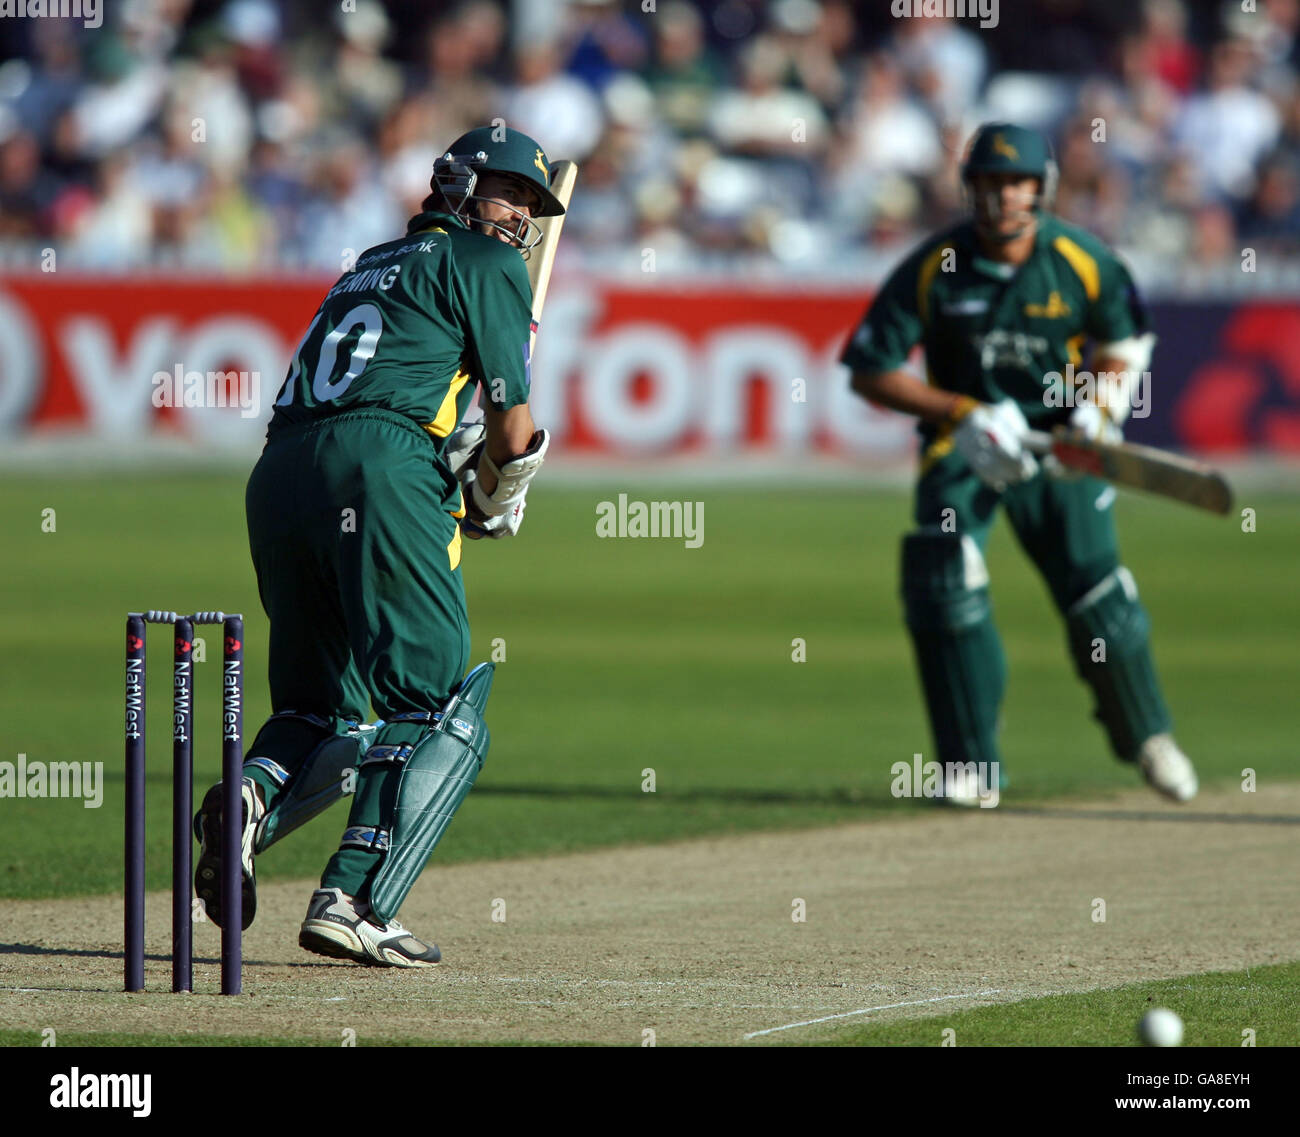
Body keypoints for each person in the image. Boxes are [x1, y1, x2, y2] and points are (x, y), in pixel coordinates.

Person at [192, 125, 564, 965]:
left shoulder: (363, 264)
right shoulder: (486, 263)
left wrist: (463, 460)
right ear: (457, 184)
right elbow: (513, 423)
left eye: (534, 207)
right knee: (436, 708)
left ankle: (249, 798)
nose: (520, 220)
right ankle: (354, 897)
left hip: (282, 474)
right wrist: (501, 490)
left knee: (316, 711)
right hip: (381, 464)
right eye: (508, 194)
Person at [842, 122, 1198, 806]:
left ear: (1043, 188)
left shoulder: (1083, 259)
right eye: (989, 183)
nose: (1004, 198)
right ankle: (969, 764)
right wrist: (959, 413)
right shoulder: (936, 264)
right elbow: (871, 368)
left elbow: (1125, 340)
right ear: (968, 188)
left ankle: (1148, 736)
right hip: (967, 443)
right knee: (942, 575)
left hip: (1059, 445)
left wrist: (1096, 414)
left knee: (1098, 600)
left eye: (1018, 183)